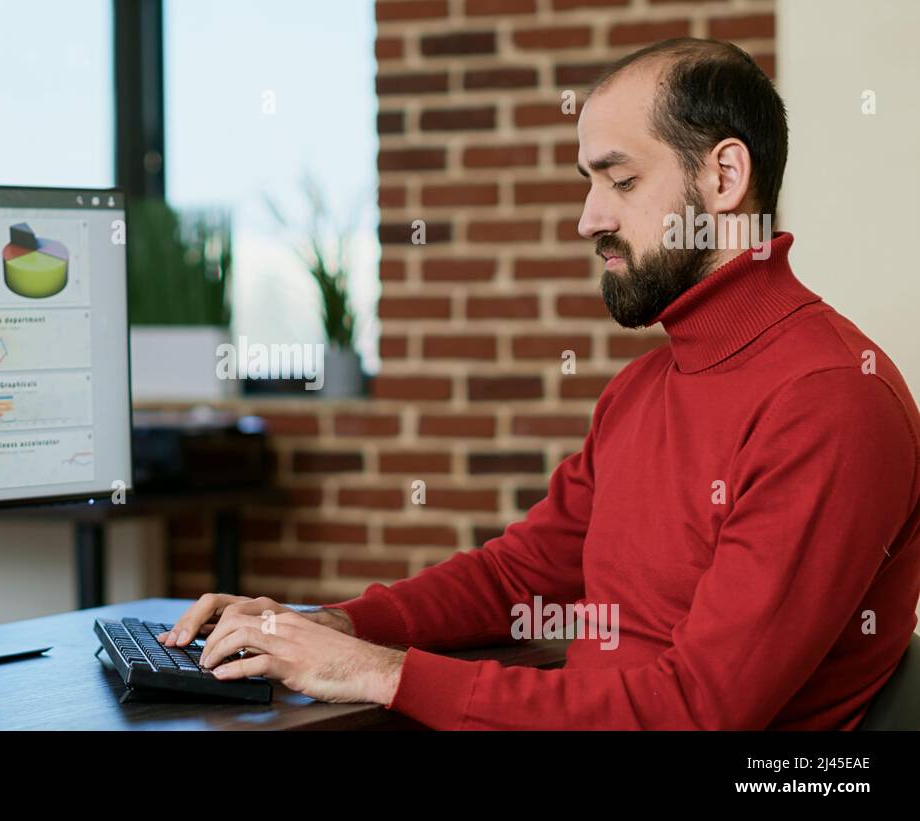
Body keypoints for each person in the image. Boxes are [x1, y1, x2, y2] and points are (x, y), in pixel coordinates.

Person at [159, 38, 920, 730]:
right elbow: (520, 577)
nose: (589, 219)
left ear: (723, 177)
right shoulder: (644, 387)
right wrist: (339, 625)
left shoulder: (830, 401)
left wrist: (381, 674)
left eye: (619, 180)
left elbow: (697, 711)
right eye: (589, 183)